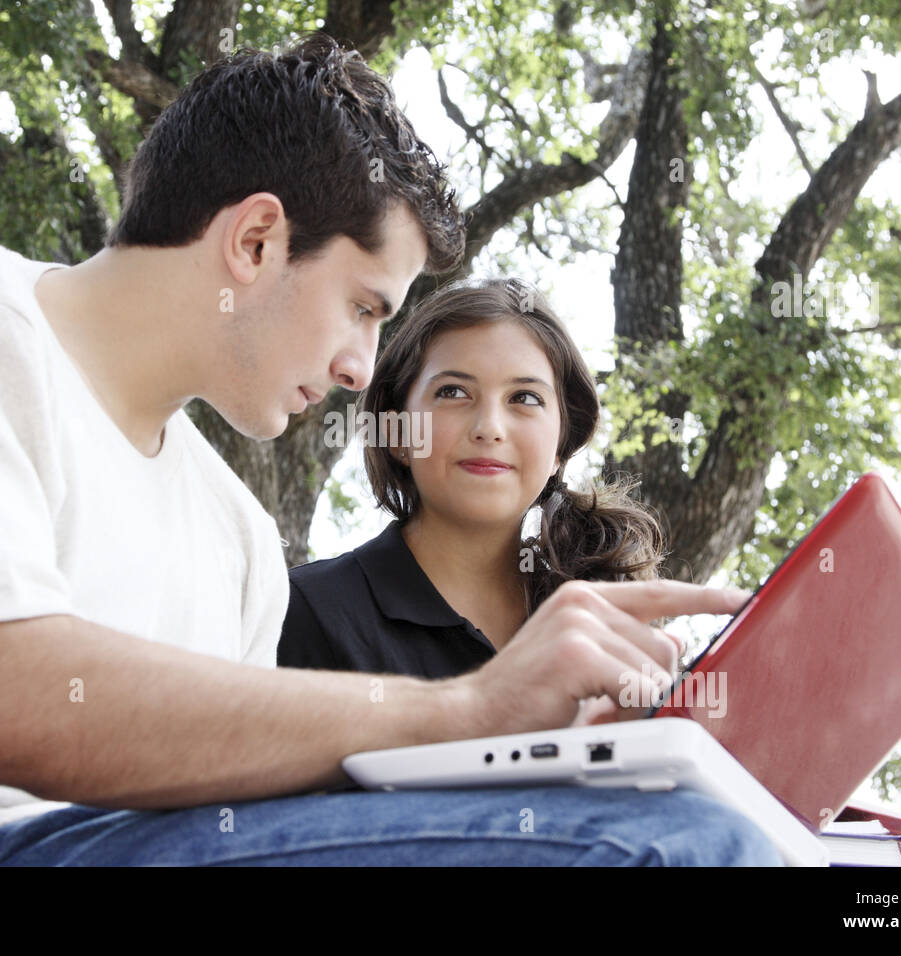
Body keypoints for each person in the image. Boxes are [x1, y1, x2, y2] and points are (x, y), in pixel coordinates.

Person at [0, 34, 779, 867]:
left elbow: (250, 812)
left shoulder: (233, 535)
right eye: (363, 308)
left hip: (126, 844)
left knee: (700, 813)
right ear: (255, 240)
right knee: (683, 849)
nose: (364, 368)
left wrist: (556, 760)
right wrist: (467, 706)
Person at [279, 278, 670, 699]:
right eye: (453, 392)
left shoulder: (602, 616)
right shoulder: (303, 610)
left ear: (561, 445)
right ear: (396, 432)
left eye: (525, 397)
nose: (489, 429)